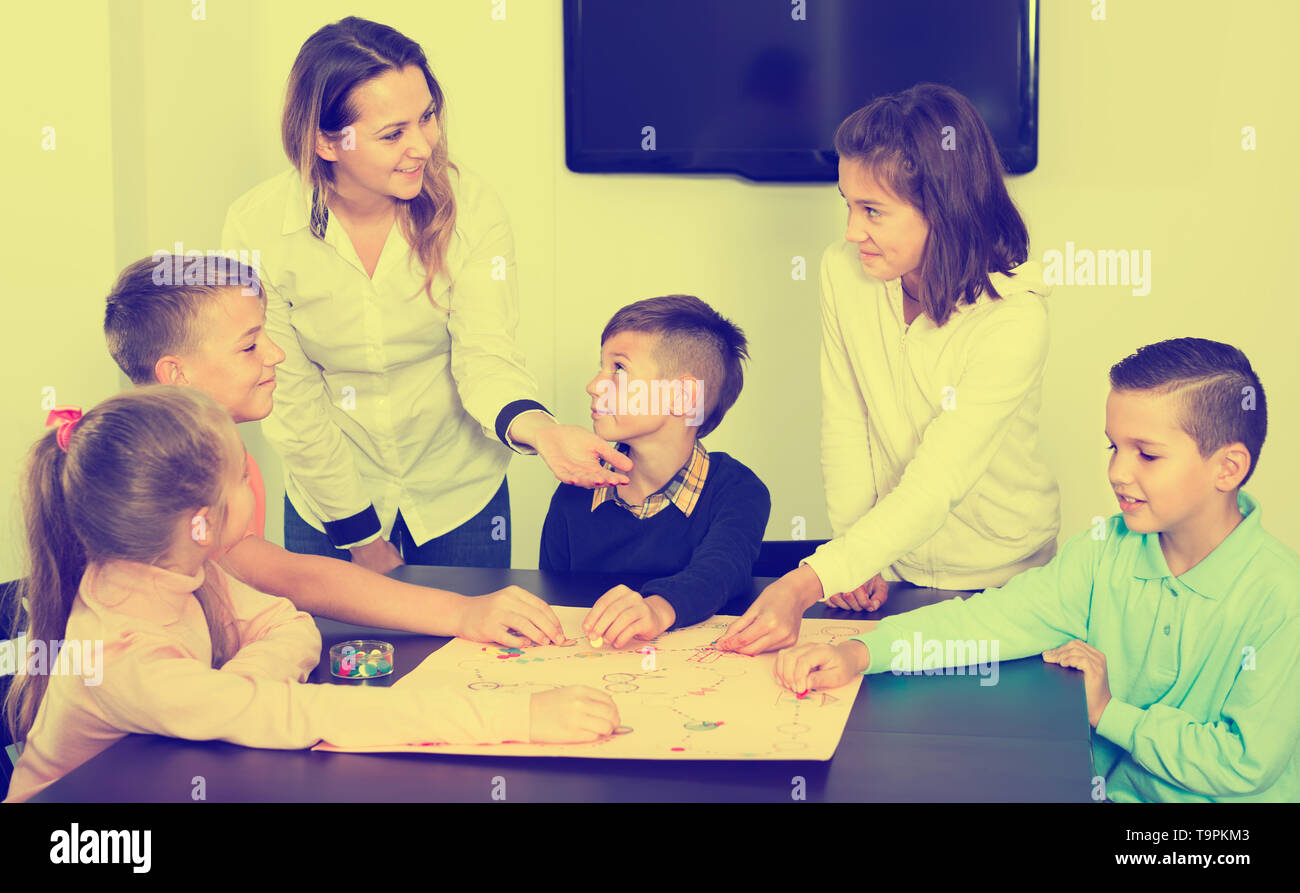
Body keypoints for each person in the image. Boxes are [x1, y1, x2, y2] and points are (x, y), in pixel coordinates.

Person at [3, 387, 618, 802]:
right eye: (242, 475)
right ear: (202, 519)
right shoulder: (126, 658)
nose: (255, 484)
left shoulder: (182, 565)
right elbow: (315, 714)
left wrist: (240, 687)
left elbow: (289, 624)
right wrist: (523, 716)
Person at [774, 339, 1299, 802]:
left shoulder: (1281, 597)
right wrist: (861, 652)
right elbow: (988, 622)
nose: (1117, 472)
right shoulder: (1103, 551)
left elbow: (1244, 763)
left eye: (1148, 455)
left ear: (1228, 468)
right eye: (1115, 447)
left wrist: (1109, 712)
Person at [222, 16, 629, 574]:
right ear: (325, 140)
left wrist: (545, 432)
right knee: (332, 657)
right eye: (393, 134)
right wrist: (360, 537)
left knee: (468, 658)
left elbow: (486, 356)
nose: (422, 146)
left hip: (458, 493)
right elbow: (291, 398)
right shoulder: (257, 228)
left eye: (428, 116)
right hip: (330, 498)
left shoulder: (473, 208)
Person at [723, 83, 1059, 654]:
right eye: (847, 204)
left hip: (998, 578)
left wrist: (807, 582)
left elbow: (937, 483)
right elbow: (847, 421)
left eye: (873, 210)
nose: (853, 231)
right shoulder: (842, 271)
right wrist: (855, 559)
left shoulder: (1015, 319)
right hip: (888, 569)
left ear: (944, 208)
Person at [104, 253, 564, 647]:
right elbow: (295, 578)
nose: (276, 354)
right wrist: (463, 614)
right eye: (249, 346)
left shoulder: (217, 451)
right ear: (177, 374)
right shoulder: (179, 471)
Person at [540, 295, 770, 647]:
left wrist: (657, 610)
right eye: (601, 367)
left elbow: (721, 571)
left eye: (618, 369)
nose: (594, 385)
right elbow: (554, 598)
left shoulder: (738, 491)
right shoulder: (575, 490)